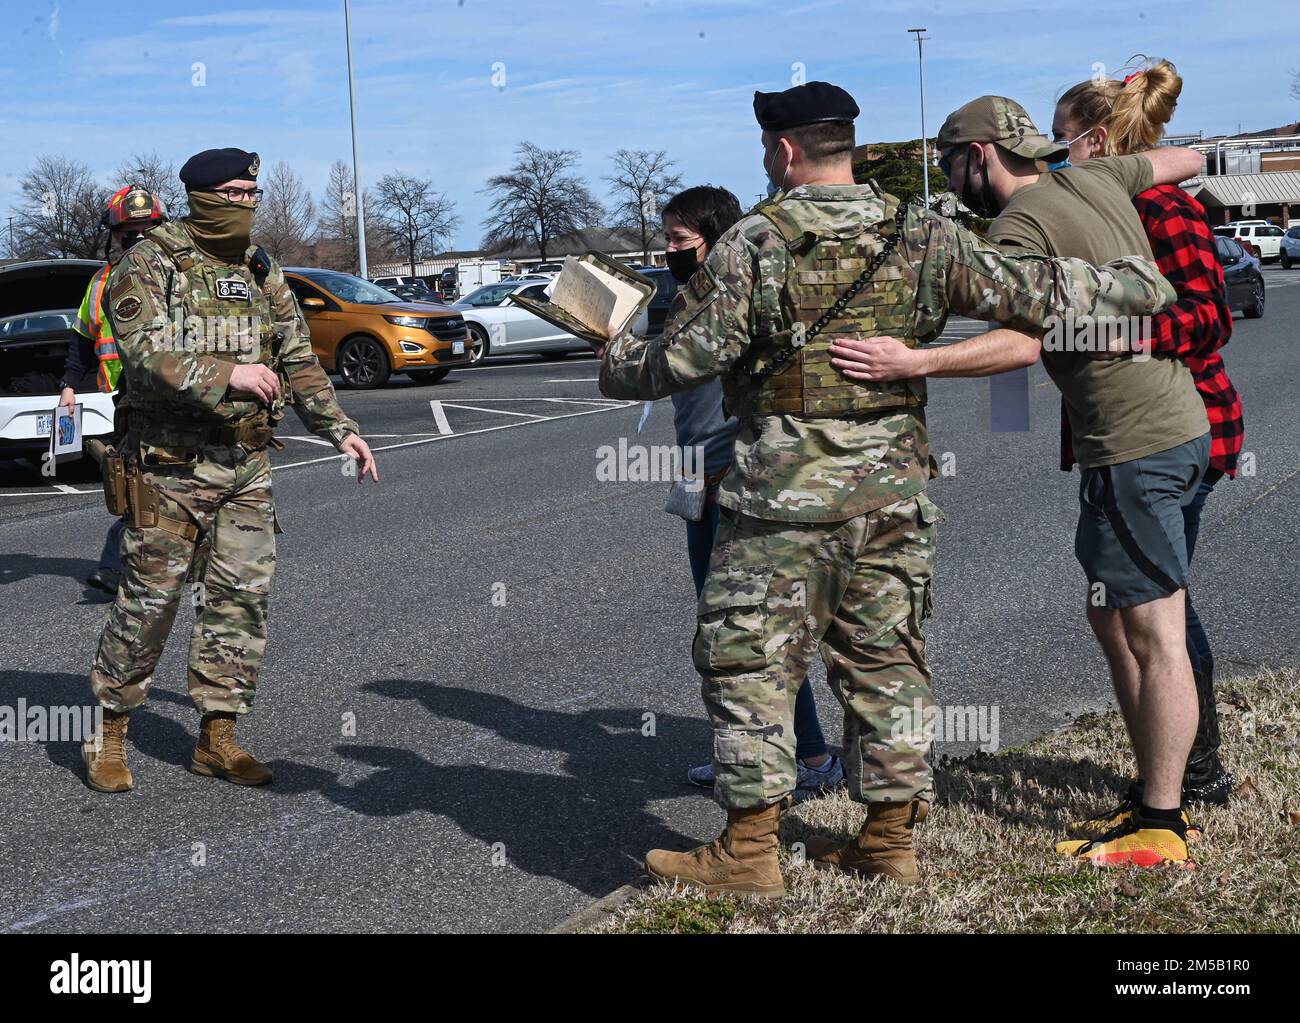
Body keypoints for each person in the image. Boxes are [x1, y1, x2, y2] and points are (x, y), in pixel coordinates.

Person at [595, 81, 1178, 896]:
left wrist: (610, 346)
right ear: (850, 147)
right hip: (892, 495)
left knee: (748, 663)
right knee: (885, 661)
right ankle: (888, 839)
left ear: (785, 151)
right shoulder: (923, 232)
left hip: (781, 505)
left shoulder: (754, 243)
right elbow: (1036, 295)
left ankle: (751, 852)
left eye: (771, 149)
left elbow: (672, 364)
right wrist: (1139, 285)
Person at [829, 95, 1208, 868]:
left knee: (1155, 632)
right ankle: (1152, 796)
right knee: (1117, 619)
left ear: (980, 157)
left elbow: (1020, 346)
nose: (947, 176)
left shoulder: (1016, 229)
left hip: (1135, 440)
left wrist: (916, 361)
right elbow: (1190, 159)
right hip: (1170, 425)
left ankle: (1163, 821)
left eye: (949, 161)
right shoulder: (1095, 178)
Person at [82, 148, 378, 794]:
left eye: (254, 192)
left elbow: (298, 355)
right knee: (149, 601)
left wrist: (341, 429)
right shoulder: (148, 261)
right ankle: (108, 734)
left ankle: (217, 737)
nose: (249, 202)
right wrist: (231, 374)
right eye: (238, 193)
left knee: (239, 601)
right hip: (168, 466)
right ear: (206, 196)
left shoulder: (258, 266)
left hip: (245, 463)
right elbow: (147, 354)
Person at [1051, 59, 1241, 810]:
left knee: (1158, 603)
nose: (1056, 156)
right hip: (1128, 433)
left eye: (1063, 140)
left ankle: (1195, 773)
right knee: (1137, 599)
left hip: (1178, 427)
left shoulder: (1162, 207)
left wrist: (1114, 332)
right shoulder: (1106, 206)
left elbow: (1209, 316)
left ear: (1097, 141)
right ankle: (1185, 766)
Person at [661, 185, 843, 797]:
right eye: (666, 239)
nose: (669, 251)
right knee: (724, 631)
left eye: (680, 241)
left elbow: (677, 364)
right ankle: (750, 753)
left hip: (734, 481)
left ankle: (812, 758)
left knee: (757, 631)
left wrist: (631, 355)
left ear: (717, 239)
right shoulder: (690, 295)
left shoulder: (732, 300)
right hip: (697, 477)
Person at [59, 184, 167, 595]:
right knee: (137, 482)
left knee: (171, 483)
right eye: (128, 233)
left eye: (147, 231)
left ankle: (134, 568)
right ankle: (117, 568)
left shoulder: (180, 276)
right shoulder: (102, 281)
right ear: (113, 235)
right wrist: (69, 385)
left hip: (181, 396)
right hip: (130, 399)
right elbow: (83, 338)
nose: (137, 240)